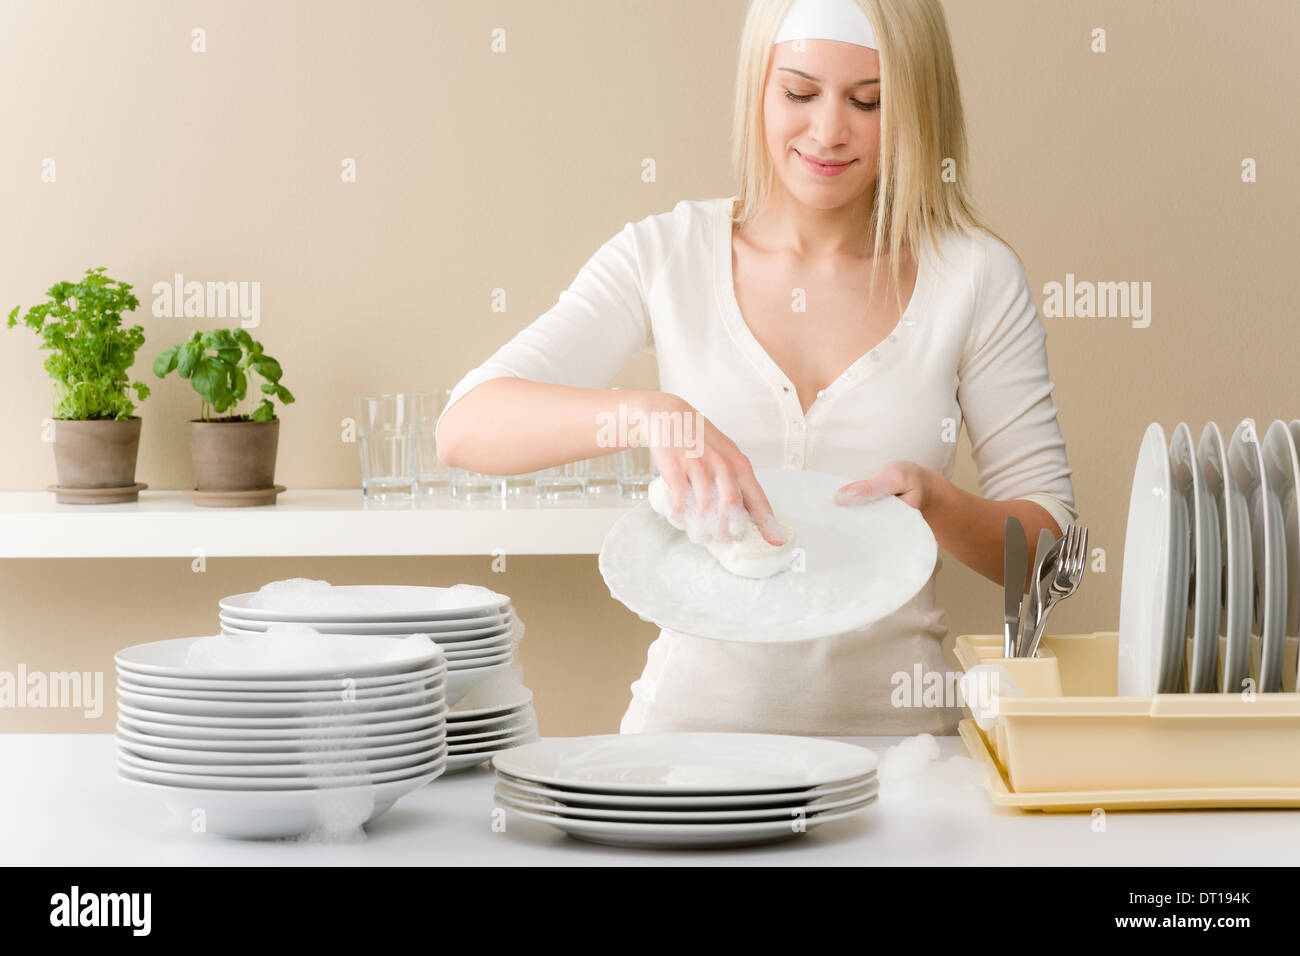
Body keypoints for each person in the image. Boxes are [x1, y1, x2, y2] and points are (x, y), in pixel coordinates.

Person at [436, 0, 1077, 736]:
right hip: (686, 754)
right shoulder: (665, 255)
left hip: (900, 764)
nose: (828, 130)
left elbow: (1046, 554)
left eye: (868, 101)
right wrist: (651, 414)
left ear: (917, 108)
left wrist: (938, 504)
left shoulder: (974, 277)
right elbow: (465, 427)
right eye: (800, 93)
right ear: (758, 87)